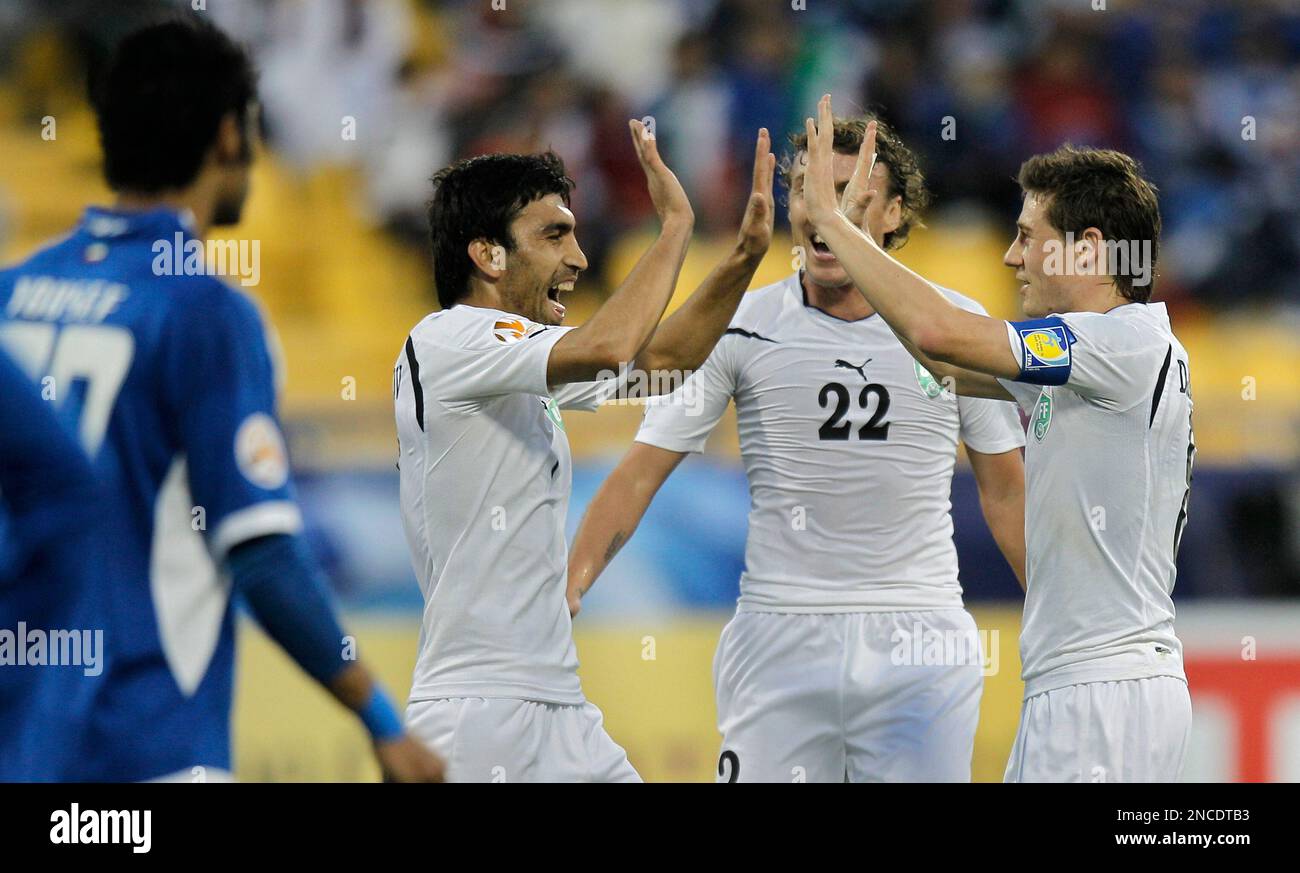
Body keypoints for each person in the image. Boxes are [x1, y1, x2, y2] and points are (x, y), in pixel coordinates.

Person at [0, 17, 443, 782]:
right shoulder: (206, 313)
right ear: (229, 140)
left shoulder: (12, 293)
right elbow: (262, 551)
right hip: (149, 743)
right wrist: (380, 720)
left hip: (27, 742)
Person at [568, 115, 1027, 783]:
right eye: (810, 192)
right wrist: (571, 585)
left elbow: (1005, 487)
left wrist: (1052, 609)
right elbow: (640, 473)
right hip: (779, 633)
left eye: (849, 192)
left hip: (918, 633)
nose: (825, 211)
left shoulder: (954, 329)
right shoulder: (741, 325)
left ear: (895, 212)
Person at [801, 95, 1193, 782]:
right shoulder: (1088, 358)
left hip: (1100, 695)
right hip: (1085, 687)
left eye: (1026, 235)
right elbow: (945, 362)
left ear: (1089, 247)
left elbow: (939, 332)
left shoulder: (1118, 342)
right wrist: (866, 248)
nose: (1012, 257)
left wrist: (837, 225)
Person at [395, 121, 777, 781]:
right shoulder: (449, 340)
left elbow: (662, 363)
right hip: (476, 710)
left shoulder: (515, 362)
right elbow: (612, 346)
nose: (578, 258)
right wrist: (674, 229)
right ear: (487, 255)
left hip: (561, 709)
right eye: (554, 235)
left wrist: (742, 257)